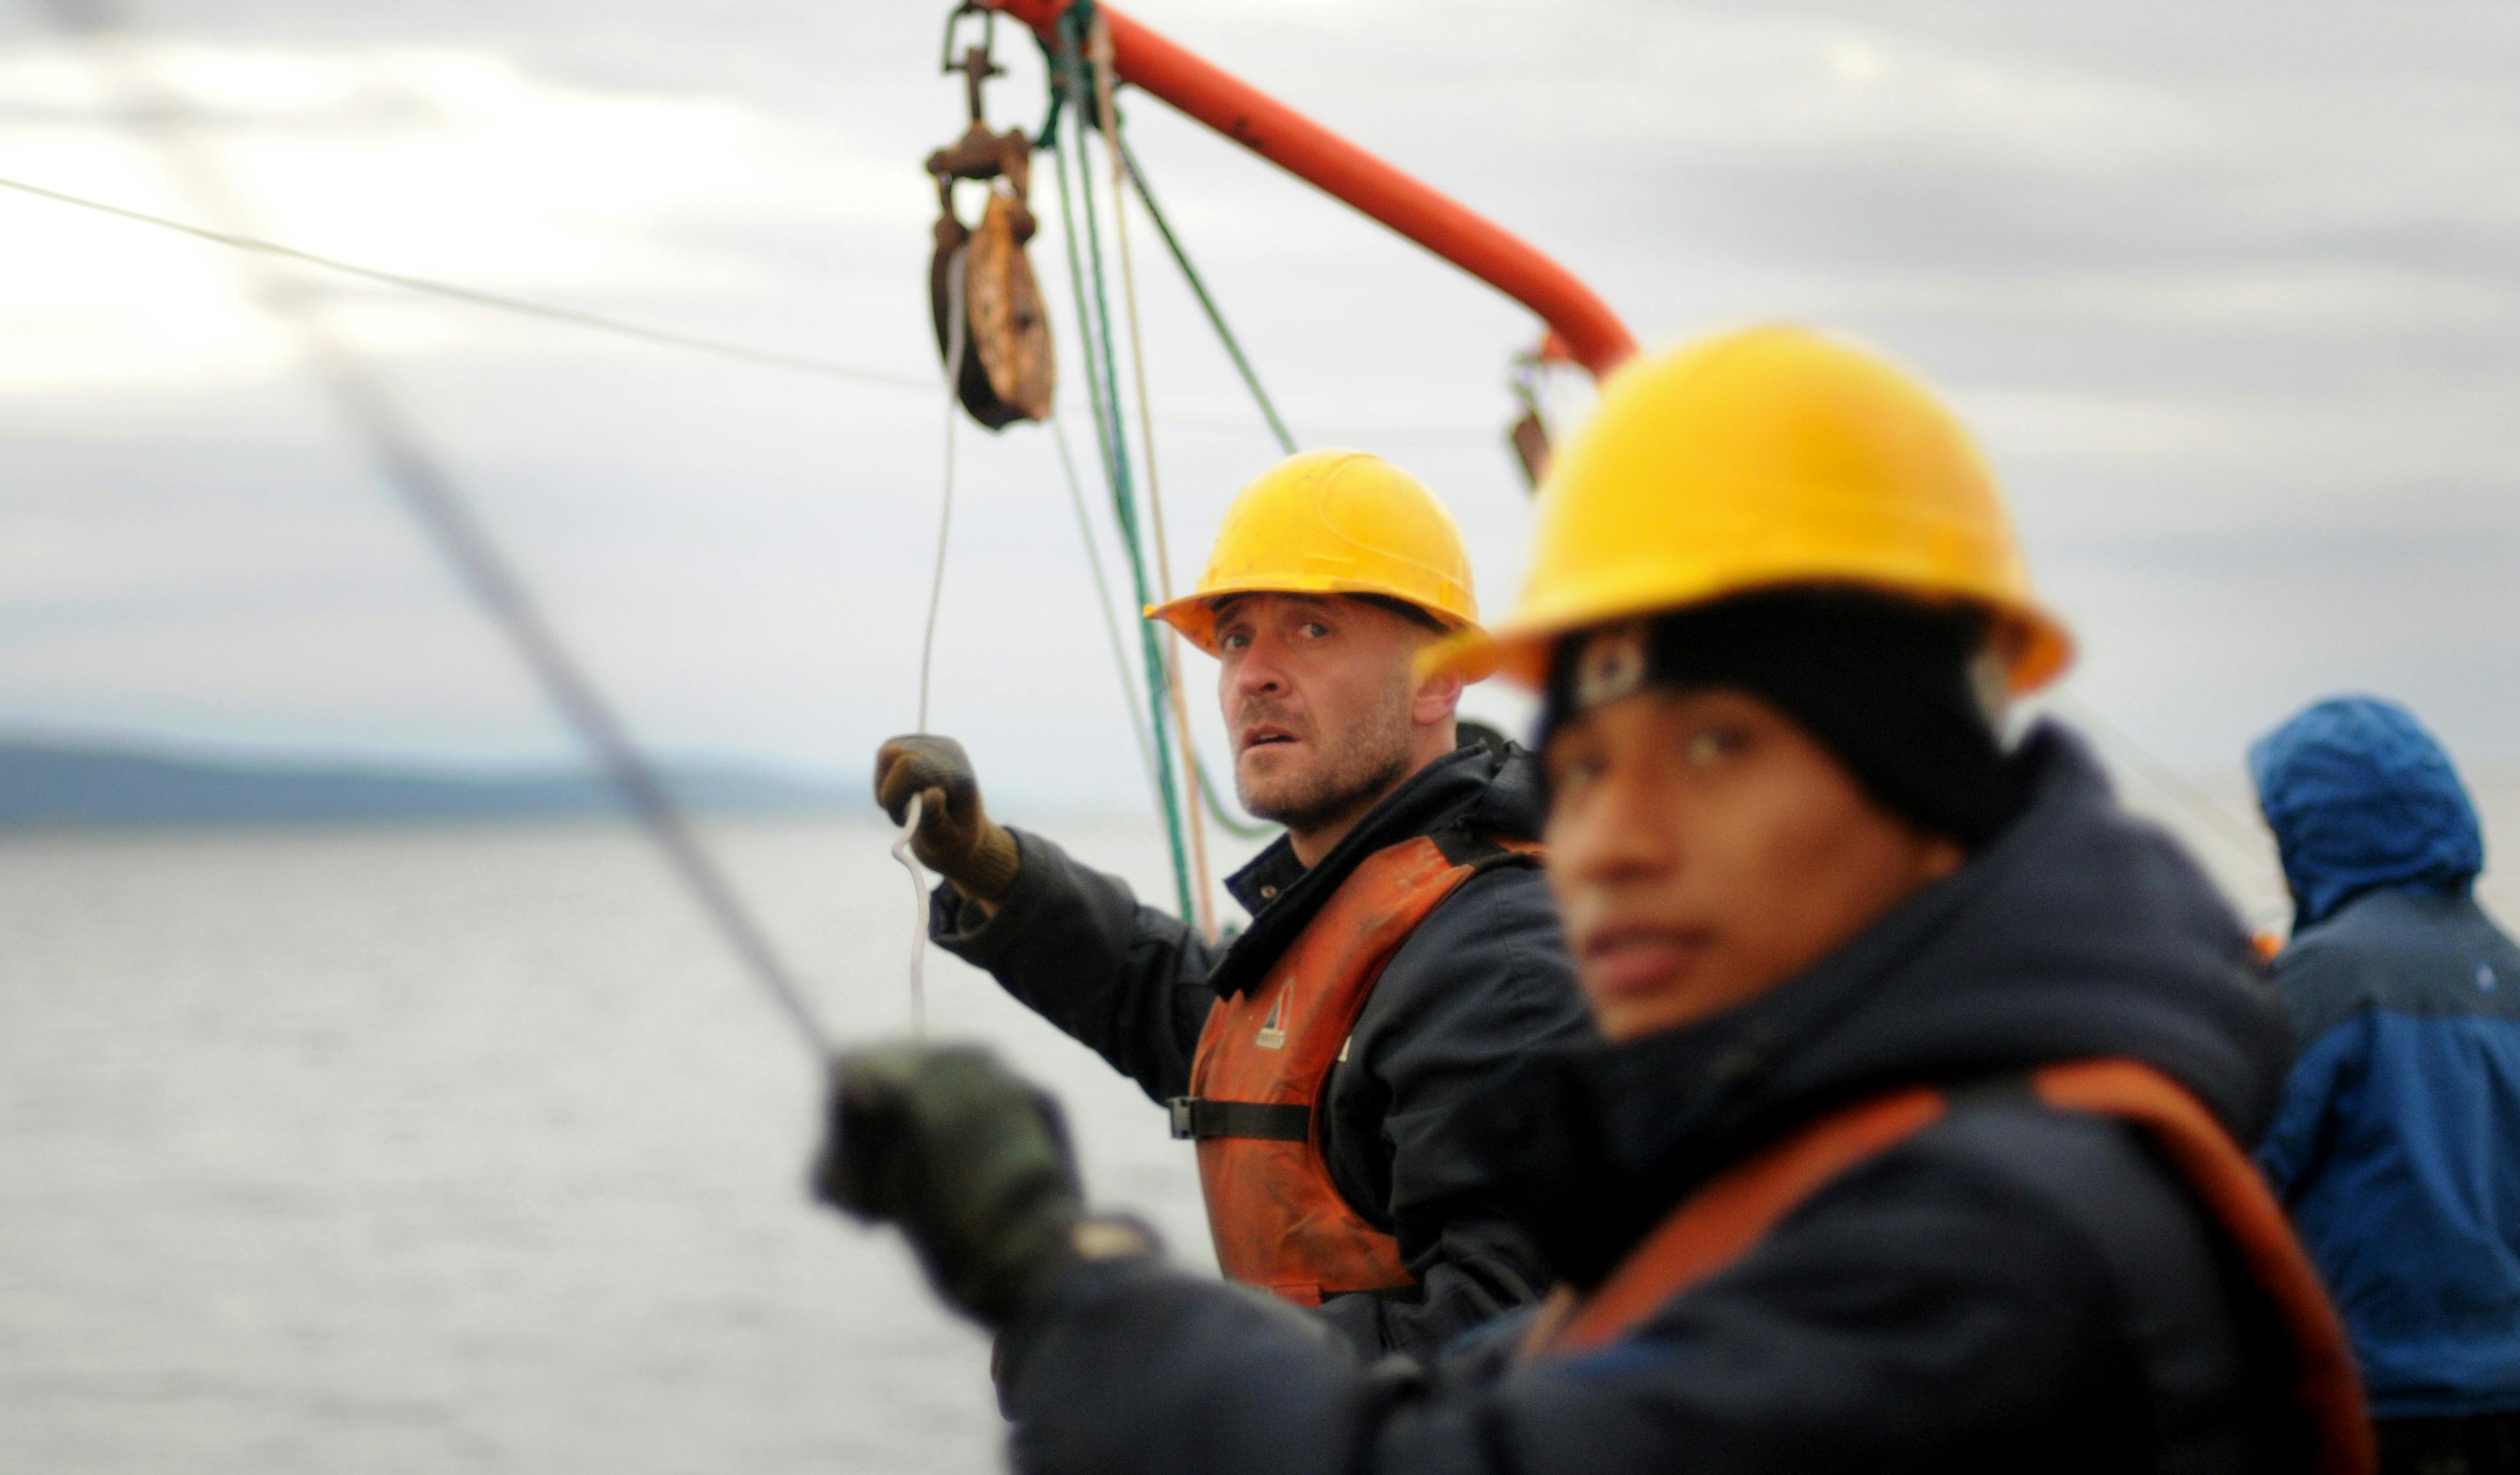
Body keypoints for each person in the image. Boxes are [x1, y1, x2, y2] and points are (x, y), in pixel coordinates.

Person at [820, 326, 2373, 1473]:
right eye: (1596, 755)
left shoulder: (1983, 1237)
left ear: (1910, 767)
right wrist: (997, 877)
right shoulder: (1867, 1121)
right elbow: (1225, 1023)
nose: (1612, 836)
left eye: (1710, 745)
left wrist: (1089, 1301)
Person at [870, 449, 1592, 1357]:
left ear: (1442, 679)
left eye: (1313, 630)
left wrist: (1168, 1366)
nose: (1255, 674)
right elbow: (1203, 1021)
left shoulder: (1500, 961)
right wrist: (989, 867)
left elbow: (1518, 1350)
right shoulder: (1368, 907)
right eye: (1238, 637)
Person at [2253, 695, 2520, 1474]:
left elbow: (2239, 1180)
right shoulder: (2510, 967)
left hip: (2370, 1396)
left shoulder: (2324, 976)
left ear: (2312, 828)